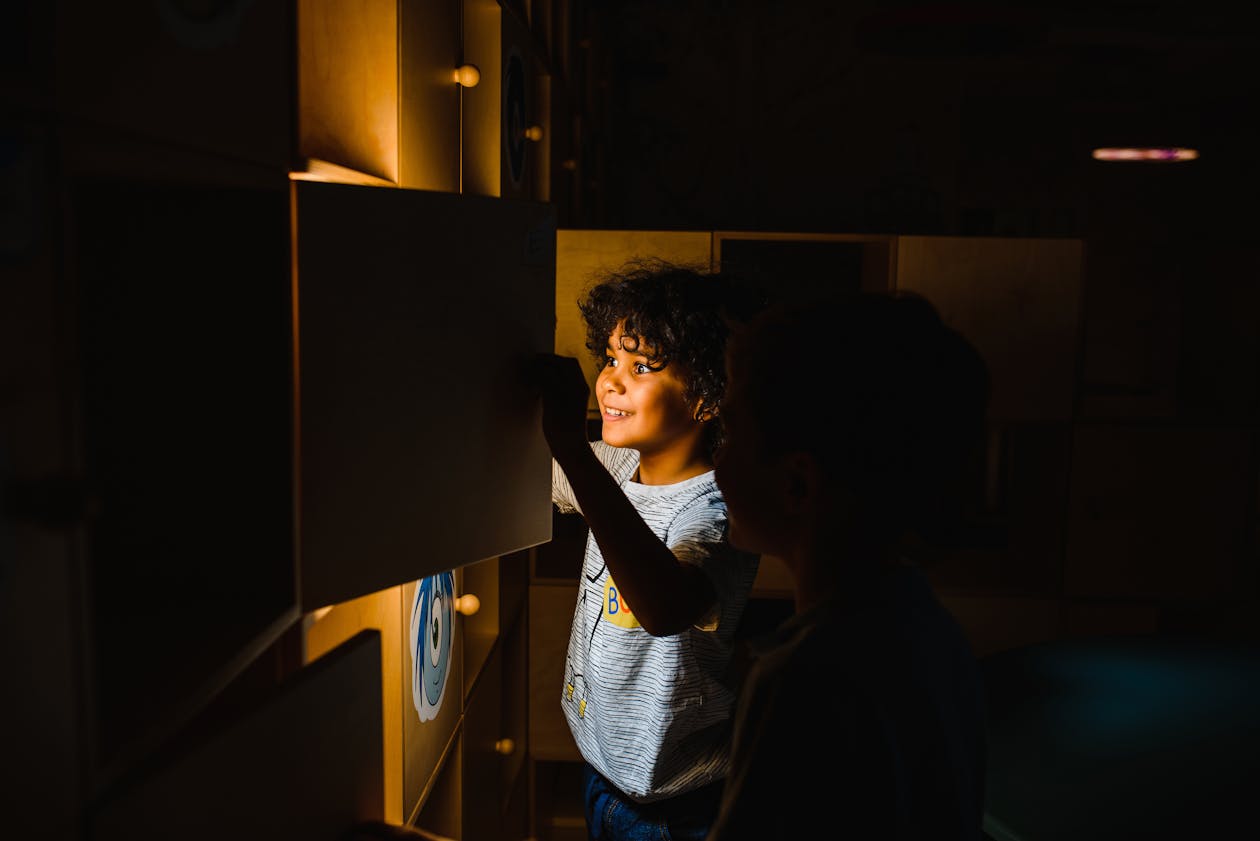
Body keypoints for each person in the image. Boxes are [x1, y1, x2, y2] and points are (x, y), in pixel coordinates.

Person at [707, 289, 990, 840]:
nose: (715, 461)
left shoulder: (803, 677)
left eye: (730, 434)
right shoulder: (927, 627)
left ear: (796, 483)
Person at [527, 258, 769, 841]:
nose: (609, 380)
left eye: (641, 367)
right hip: (605, 776)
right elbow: (519, 474)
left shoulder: (717, 509)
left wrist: (570, 446)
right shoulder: (617, 467)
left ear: (707, 398)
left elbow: (666, 607)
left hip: (681, 806)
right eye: (610, 358)